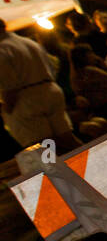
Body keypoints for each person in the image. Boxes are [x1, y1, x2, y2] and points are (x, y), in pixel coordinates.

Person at [0, 18, 79, 151]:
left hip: (26, 99)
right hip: (50, 89)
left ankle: (58, 172)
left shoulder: (2, 49)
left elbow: (9, 87)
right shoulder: (28, 42)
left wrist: (6, 109)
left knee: (43, 148)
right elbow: (53, 66)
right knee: (67, 139)